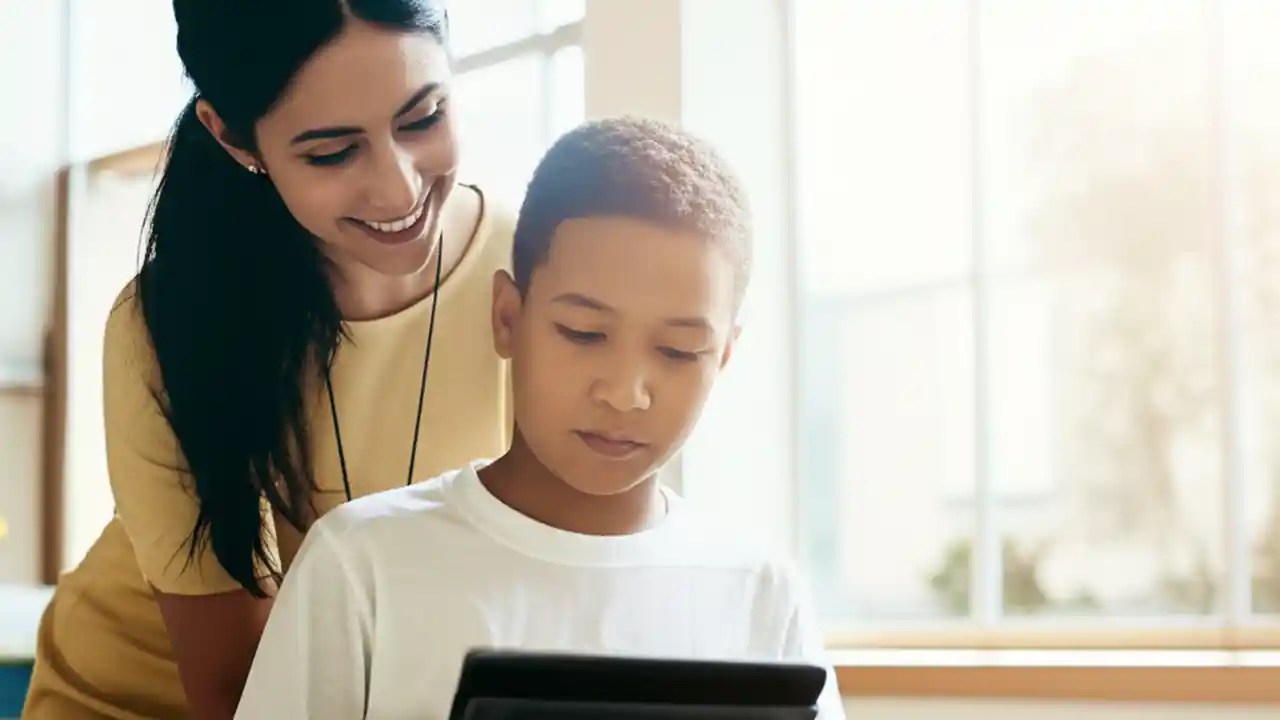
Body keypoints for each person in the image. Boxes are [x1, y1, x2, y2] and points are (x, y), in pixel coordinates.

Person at [234, 117, 846, 719]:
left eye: (679, 351)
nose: (625, 392)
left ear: (725, 358)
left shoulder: (760, 590)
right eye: (583, 333)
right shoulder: (362, 566)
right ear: (507, 318)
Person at [23, 2, 516, 718]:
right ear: (232, 137)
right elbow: (237, 690)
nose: (400, 188)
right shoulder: (171, 320)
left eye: (423, 118)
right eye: (331, 152)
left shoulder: (540, 274)